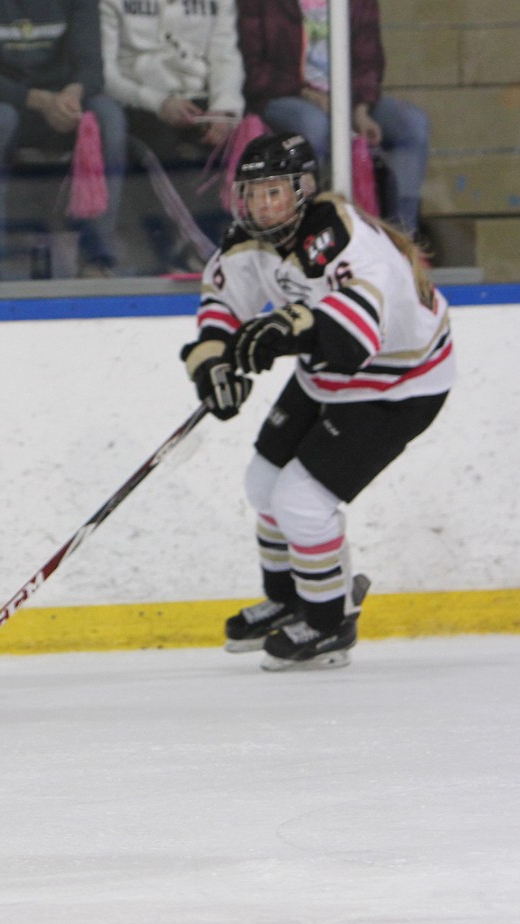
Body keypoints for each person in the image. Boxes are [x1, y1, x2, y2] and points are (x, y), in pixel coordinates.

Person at [180, 133, 452, 669]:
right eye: (252, 193)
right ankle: (289, 601)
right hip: (325, 373)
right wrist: (213, 363)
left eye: (275, 191)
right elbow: (219, 302)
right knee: (263, 484)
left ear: (304, 189)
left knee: (302, 502)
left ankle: (329, 623)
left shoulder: (347, 241)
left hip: (397, 383)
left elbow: (352, 343)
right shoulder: (251, 241)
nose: (262, 205)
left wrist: (285, 330)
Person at [0, 0, 128, 278]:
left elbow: (92, 68)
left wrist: (71, 95)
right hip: (0, 102)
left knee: (108, 116)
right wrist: (41, 100)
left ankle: (97, 258)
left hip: (61, 104)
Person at [236, 0, 429, 238]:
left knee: (412, 125)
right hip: (283, 94)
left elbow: (368, 60)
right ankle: (311, 232)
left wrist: (361, 111)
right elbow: (252, 69)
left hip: (348, 98)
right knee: (315, 126)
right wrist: (308, 93)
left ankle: (401, 237)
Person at [97, 0, 242, 271]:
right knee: (161, 151)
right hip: (140, 101)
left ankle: (218, 252)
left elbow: (226, 55)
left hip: (204, 101)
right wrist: (159, 102)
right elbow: (105, 74)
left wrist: (224, 110)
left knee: (236, 147)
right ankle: (180, 253)